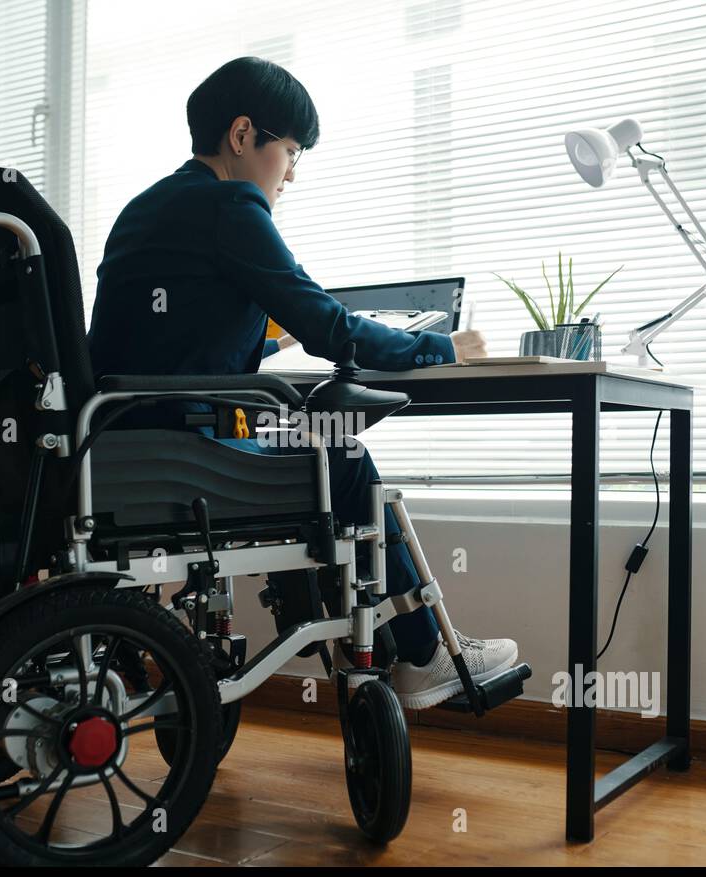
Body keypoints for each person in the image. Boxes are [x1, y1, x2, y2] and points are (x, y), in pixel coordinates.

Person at [86, 56, 517, 709]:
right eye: (289, 151)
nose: (292, 172)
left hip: (119, 448)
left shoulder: (145, 207)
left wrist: (267, 336)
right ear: (241, 136)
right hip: (191, 455)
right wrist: (442, 347)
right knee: (342, 451)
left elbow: (169, 339)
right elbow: (334, 332)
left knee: (314, 440)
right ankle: (425, 654)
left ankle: (380, 636)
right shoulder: (230, 203)